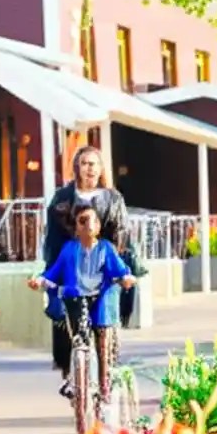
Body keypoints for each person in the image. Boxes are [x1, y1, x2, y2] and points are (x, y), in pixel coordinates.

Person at [41, 145, 131, 396]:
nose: (89, 168)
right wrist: (50, 271)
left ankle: (106, 374)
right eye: (84, 163)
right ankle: (72, 375)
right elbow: (53, 237)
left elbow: (122, 234)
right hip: (71, 264)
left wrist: (120, 266)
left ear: (101, 169)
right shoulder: (62, 198)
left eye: (94, 163)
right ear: (77, 167)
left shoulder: (113, 199)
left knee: (104, 324)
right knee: (67, 320)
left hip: (102, 264)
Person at [28, 203, 136, 402]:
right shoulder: (69, 250)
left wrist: (126, 279)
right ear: (76, 228)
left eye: (93, 221)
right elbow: (54, 272)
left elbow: (120, 271)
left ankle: (104, 386)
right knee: (78, 338)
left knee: (102, 341)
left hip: (101, 297)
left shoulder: (106, 249)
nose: (88, 225)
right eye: (83, 221)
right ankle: (75, 378)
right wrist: (40, 281)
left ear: (99, 226)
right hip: (76, 298)